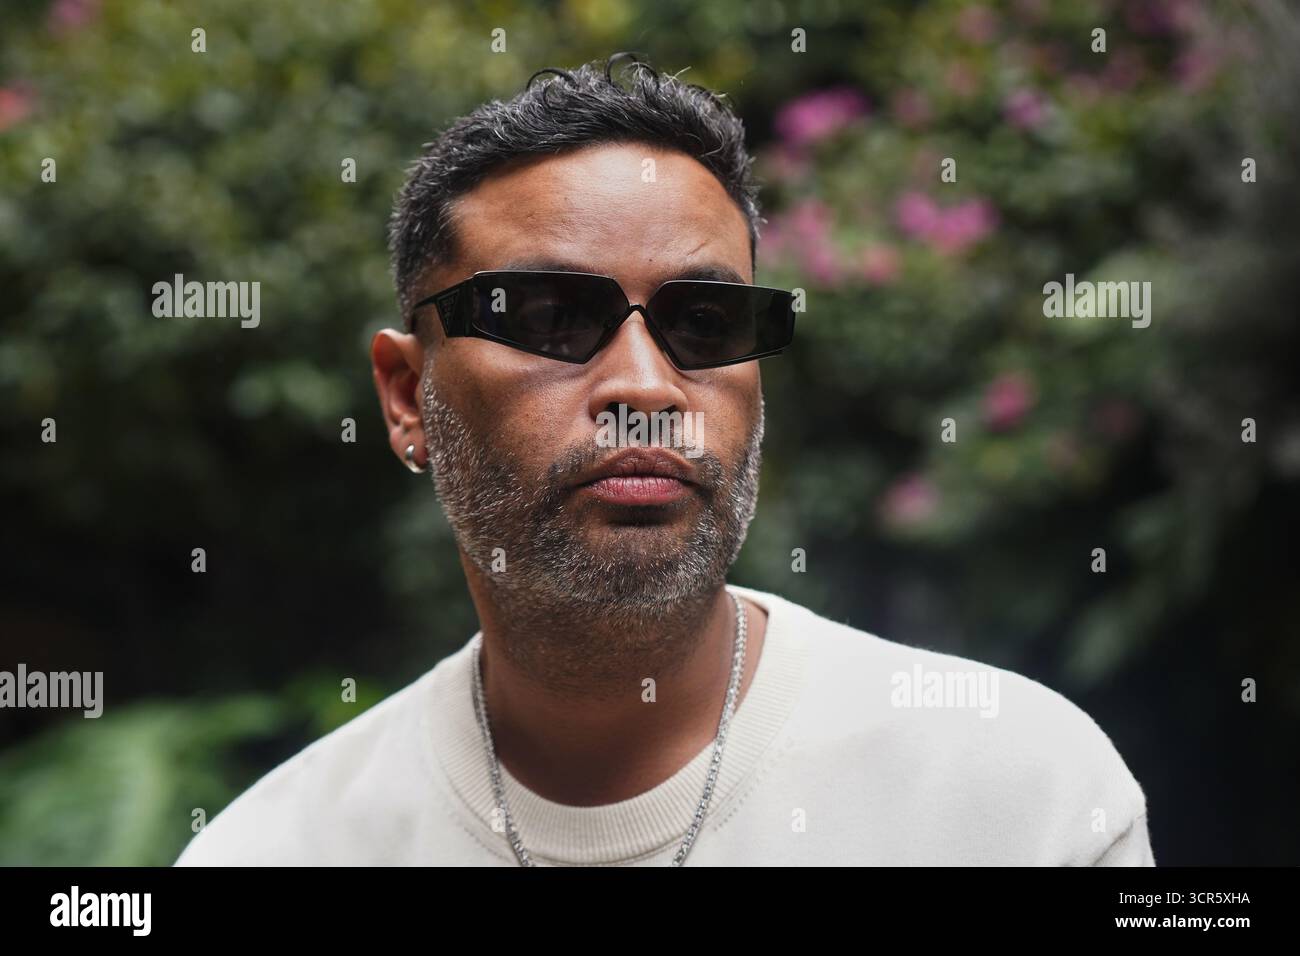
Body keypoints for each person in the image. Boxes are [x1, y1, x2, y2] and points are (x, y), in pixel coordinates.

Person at [175, 53, 1153, 867]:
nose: (644, 384)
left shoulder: (1021, 795)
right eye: (553, 317)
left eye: (703, 321)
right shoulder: (273, 850)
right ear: (404, 398)